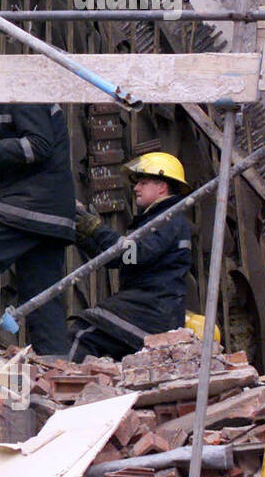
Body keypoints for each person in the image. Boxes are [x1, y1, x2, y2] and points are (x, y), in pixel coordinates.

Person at [0, 46, 76, 354]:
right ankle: (55, 364)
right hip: (49, 212)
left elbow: (39, 146)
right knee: (40, 294)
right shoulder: (2, 104)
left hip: (32, 204)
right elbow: (12, 163)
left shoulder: (21, 91)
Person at [66, 152, 193, 361]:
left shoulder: (168, 219)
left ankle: (65, 384)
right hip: (148, 308)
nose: (135, 188)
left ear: (162, 187)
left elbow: (136, 254)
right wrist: (84, 234)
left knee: (83, 332)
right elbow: (118, 259)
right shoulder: (157, 219)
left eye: (143, 182)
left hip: (151, 310)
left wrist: (96, 229)